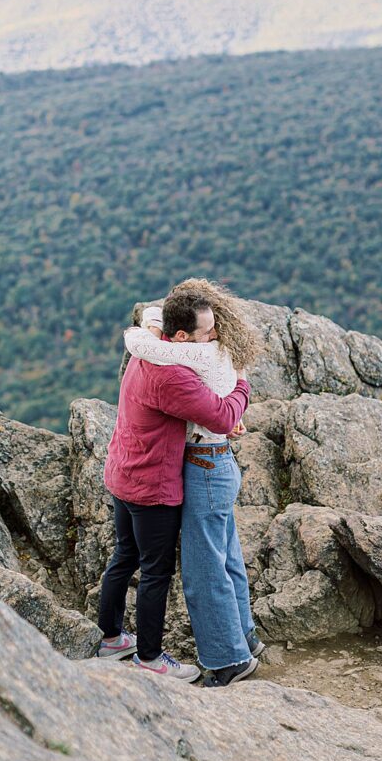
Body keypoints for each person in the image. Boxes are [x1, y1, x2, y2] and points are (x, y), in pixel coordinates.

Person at [96, 287, 252, 682]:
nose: (215, 339)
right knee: (158, 573)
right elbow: (220, 415)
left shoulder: (147, 348)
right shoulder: (172, 376)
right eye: (208, 333)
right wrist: (242, 384)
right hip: (153, 484)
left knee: (124, 558)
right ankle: (150, 657)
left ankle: (112, 638)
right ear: (181, 337)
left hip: (123, 471)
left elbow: (150, 317)